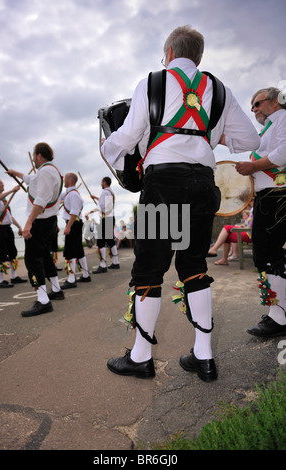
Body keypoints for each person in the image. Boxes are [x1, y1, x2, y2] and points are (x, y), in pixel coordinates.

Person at [101, 25, 260, 381]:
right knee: (193, 267)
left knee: (149, 270)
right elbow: (249, 138)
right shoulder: (219, 89)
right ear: (198, 57)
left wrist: (108, 150)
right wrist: (208, 137)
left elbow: (127, 136)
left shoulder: (152, 82)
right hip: (203, 184)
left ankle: (141, 356)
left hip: (163, 185)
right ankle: (203, 358)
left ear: (169, 52)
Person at [236, 87, 286, 337]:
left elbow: (284, 153)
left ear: (275, 101)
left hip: (277, 195)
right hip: (269, 196)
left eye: (257, 103)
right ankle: (280, 313)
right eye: (252, 106)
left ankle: (280, 318)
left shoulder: (283, 118)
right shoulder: (269, 128)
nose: (254, 109)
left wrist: (253, 165)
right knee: (271, 254)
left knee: (268, 255)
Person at [7, 142, 64, 316]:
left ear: (39, 156)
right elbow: (31, 179)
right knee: (45, 257)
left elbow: (41, 198)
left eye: (34, 156)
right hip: (49, 221)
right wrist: (14, 173)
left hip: (40, 222)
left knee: (32, 260)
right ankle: (56, 290)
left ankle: (43, 301)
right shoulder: (51, 171)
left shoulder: (45, 172)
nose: (33, 160)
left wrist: (28, 222)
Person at [0, 179, 27, 287]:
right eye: (1, 183)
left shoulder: (4, 200)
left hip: (7, 228)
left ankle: (13, 277)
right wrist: (12, 190)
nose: (3, 184)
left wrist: (19, 226)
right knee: (2, 253)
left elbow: (9, 216)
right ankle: (1, 281)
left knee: (12, 251)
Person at [61, 172, 91, 288]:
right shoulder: (69, 193)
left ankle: (71, 279)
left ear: (70, 180)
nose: (64, 180)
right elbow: (56, 196)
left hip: (73, 223)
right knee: (78, 251)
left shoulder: (73, 195)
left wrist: (68, 226)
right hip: (75, 223)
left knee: (70, 251)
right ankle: (85, 275)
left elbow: (74, 212)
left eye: (65, 179)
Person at [89, 177, 119, 273]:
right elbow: (105, 202)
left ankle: (103, 265)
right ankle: (116, 262)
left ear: (104, 182)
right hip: (111, 217)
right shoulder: (111, 192)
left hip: (105, 218)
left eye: (101, 182)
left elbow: (101, 205)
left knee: (100, 241)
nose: (101, 184)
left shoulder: (104, 192)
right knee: (110, 240)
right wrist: (96, 198)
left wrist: (95, 208)